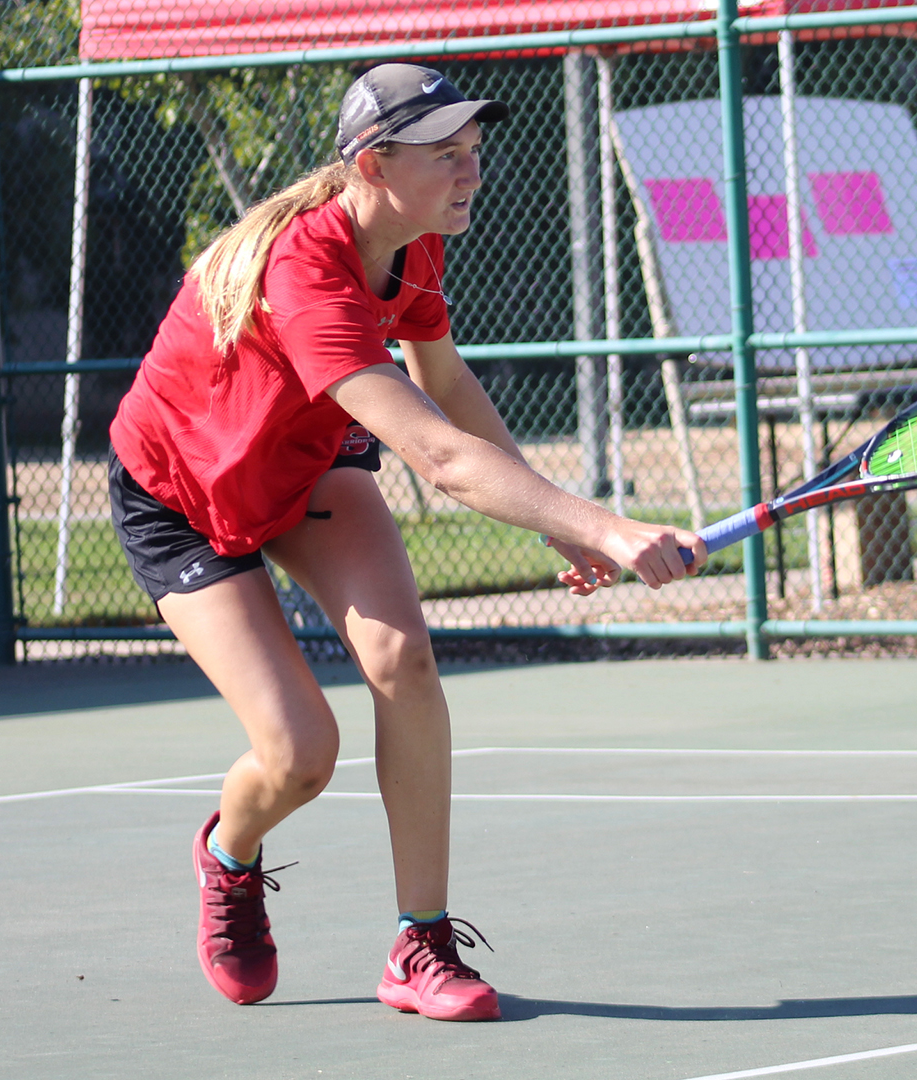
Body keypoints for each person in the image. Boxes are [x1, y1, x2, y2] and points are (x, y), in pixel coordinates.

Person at [106, 64, 706, 1022]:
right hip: (180, 493)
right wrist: (604, 525)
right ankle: (229, 856)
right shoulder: (305, 270)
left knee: (405, 659)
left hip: (304, 467)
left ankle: (420, 945)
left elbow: (451, 388)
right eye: (445, 155)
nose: (471, 171)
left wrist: (567, 519)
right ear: (374, 163)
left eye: (474, 151)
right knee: (302, 753)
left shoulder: (415, 246)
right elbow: (434, 450)